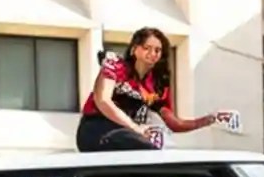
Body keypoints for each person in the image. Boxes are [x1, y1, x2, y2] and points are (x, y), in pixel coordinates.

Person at [76, 27, 226, 152]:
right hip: (97, 130)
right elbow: (102, 100)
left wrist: (210, 119)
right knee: (146, 147)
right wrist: (135, 127)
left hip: (129, 135)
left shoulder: (156, 85)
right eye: (147, 48)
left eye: (157, 50)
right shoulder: (115, 65)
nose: (153, 54)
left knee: (148, 158)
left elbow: (174, 124)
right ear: (135, 49)